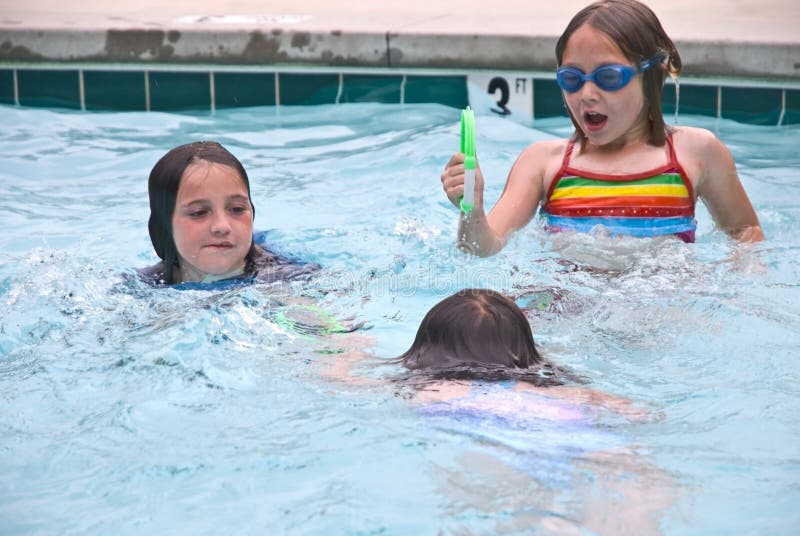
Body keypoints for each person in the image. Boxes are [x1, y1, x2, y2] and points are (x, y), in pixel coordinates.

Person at [440, 0, 764, 257]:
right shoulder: (543, 164)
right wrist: (473, 209)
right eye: (572, 79)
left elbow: (745, 233)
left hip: (664, 318)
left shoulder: (696, 153)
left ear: (653, 74)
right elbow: (483, 249)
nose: (587, 94)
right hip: (566, 317)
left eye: (608, 77)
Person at [138, 141, 317, 287]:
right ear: (164, 225)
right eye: (199, 212)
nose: (222, 226)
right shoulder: (142, 286)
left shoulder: (287, 281)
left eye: (237, 209)